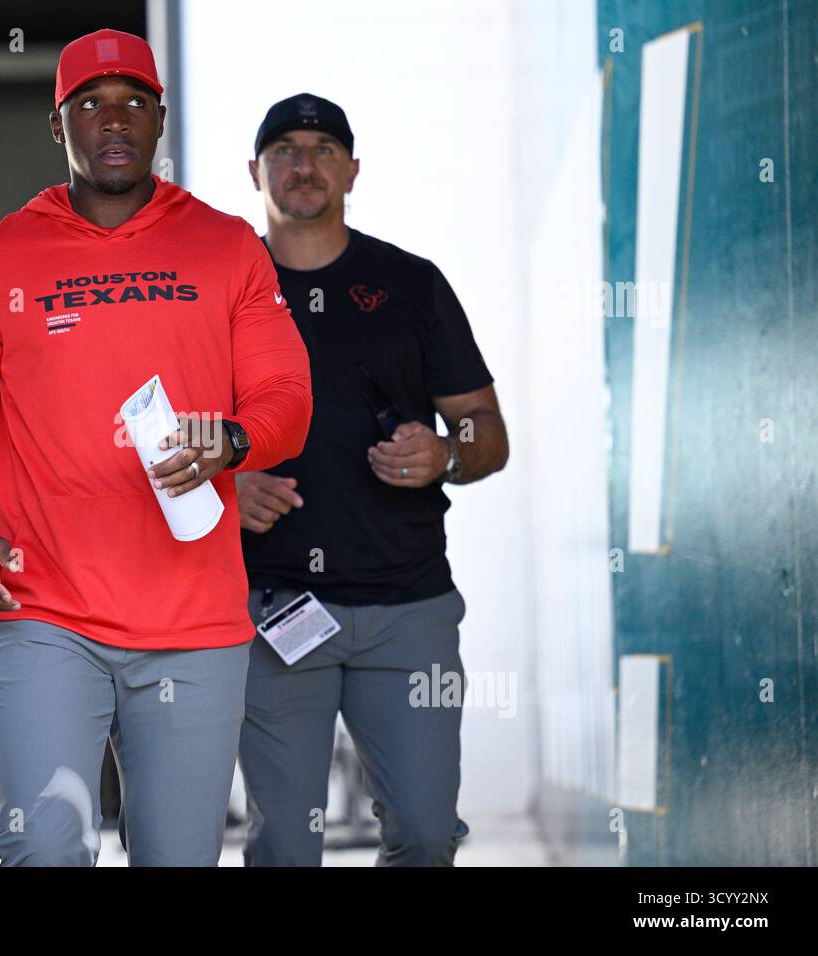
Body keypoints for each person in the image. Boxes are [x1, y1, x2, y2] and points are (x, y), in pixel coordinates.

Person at [0, 29, 312, 866]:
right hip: (44, 611)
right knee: (46, 849)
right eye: (89, 105)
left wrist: (233, 441)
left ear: (161, 119)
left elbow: (288, 401)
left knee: (175, 855)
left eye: (132, 102)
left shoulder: (226, 246)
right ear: (57, 126)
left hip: (196, 621)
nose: (113, 120)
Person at [236, 94, 509, 866]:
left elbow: (486, 431)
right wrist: (224, 492)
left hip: (408, 608)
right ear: (254, 171)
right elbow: (158, 437)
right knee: (286, 843)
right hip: (273, 606)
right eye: (285, 148)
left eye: (324, 148)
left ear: (353, 170)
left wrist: (447, 455)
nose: (304, 164)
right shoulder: (224, 290)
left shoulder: (411, 284)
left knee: (425, 834)